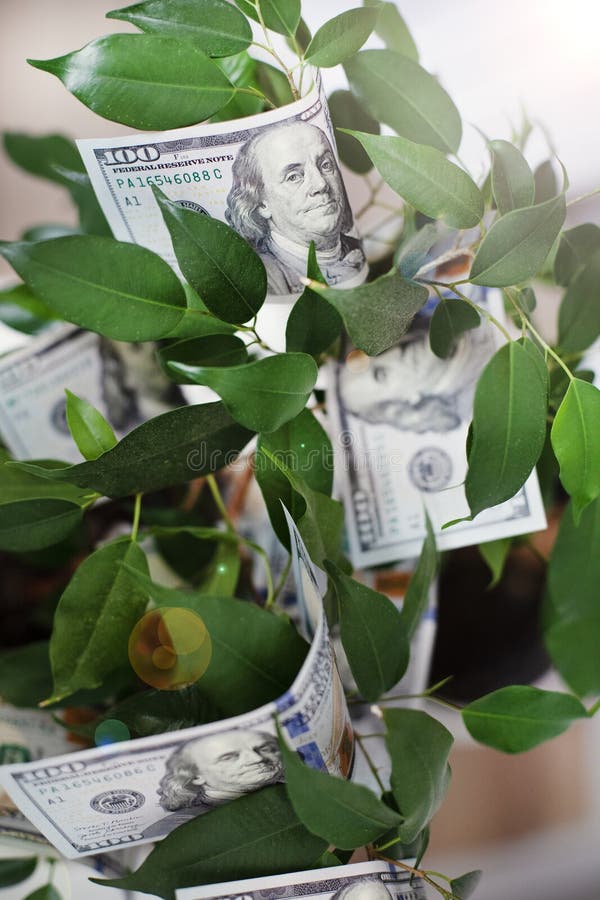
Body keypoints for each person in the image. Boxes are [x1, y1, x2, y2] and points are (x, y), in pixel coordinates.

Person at [226, 122, 367, 295]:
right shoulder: (261, 279)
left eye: (325, 165)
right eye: (294, 177)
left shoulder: (358, 246)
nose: (321, 184)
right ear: (262, 204)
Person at [142, 729, 283, 838]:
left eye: (265, 749)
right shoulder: (178, 828)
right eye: (229, 757)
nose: (257, 758)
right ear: (196, 776)